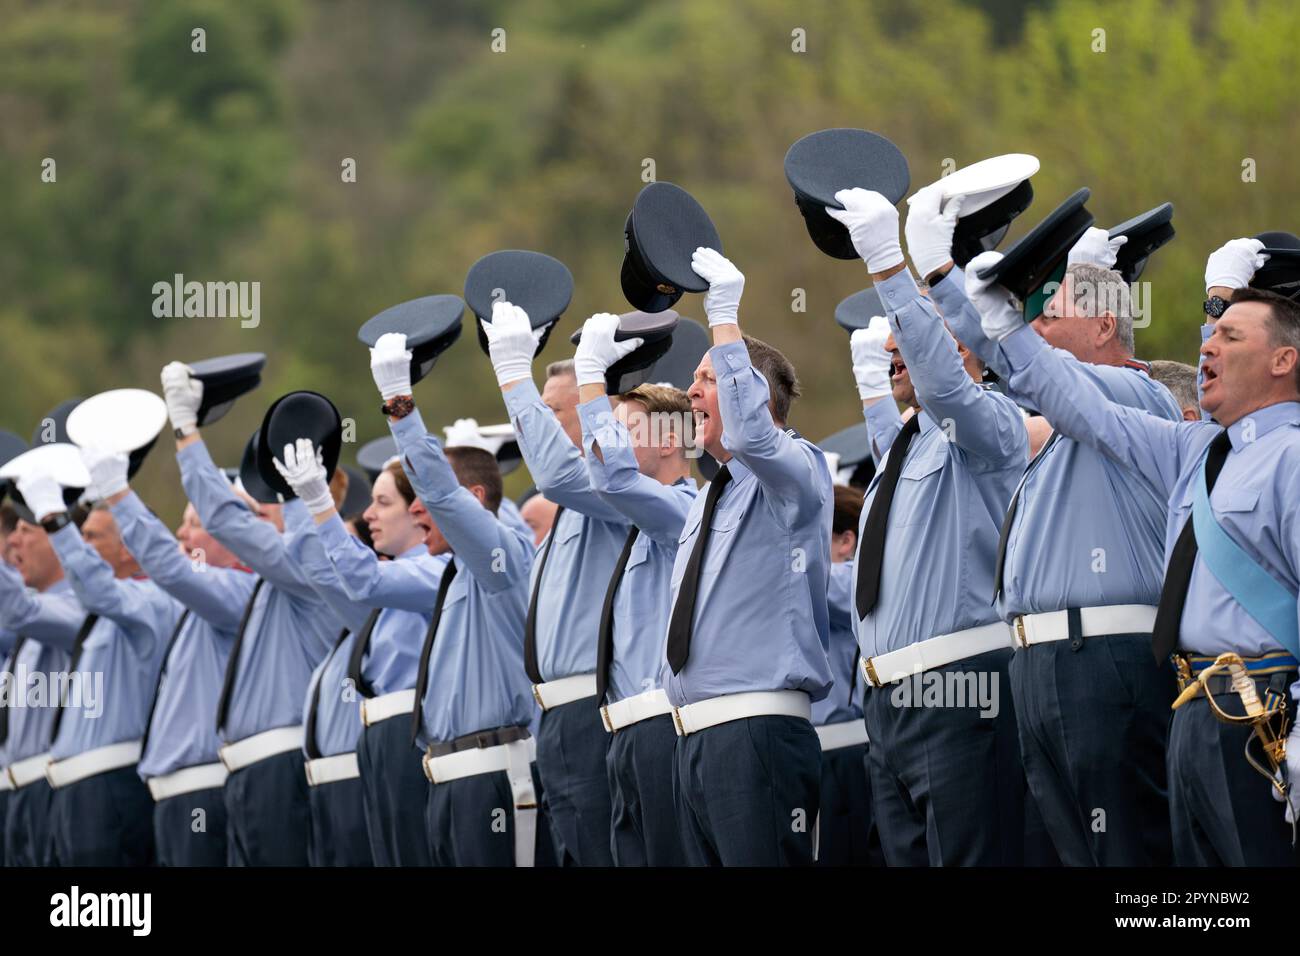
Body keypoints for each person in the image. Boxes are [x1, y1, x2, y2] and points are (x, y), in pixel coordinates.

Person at [978, 245, 1300, 865]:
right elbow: (1081, 407)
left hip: (1271, 705)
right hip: (1194, 704)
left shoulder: (1290, 454)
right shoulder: (1194, 450)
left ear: (1284, 359)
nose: (1204, 346)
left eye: (1228, 334)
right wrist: (1001, 326)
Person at [920, 223, 1182, 866]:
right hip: (1046, 665)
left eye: (1051, 316)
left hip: (1106, 658)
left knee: (1131, 856)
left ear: (1102, 328)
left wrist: (950, 286)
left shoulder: (1137, 391)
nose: (1035, 332)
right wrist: (937, 282)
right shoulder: (1061, 426)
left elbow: (1036, 370)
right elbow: (992, 382)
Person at [826, 186, 1028, 865]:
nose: (895, 352)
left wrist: (890, 266)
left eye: (914, 339)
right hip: (887, 700)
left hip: (962, 685)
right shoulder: (906, 449)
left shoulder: (988, 424)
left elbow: (947, 388)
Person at [663, 247, 832, 866]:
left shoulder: (795, 469)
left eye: (706, 378)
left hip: (757, 732)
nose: (691, 390)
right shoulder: (710, 497)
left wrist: (724, 319)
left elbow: (753, 435)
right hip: (696, 737)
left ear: (751, 392)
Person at [364, 329, 538, 864]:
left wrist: (400, 405)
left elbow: (440, 491)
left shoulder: (498, 560)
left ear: (471, 503)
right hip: (446, 777)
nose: (418, 514)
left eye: (427, 506)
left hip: (490, 775)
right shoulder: (454, 574)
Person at [161, 361, 338, 866]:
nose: (251, 524)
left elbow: (222, 518)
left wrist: (187, 432)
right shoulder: (278, 576)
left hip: (280, 766)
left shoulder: (306, 568)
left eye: (262, 512)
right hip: (249, 772)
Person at [485, 309, 627, 866]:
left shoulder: (614, 488)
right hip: (558, 720)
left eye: (553, 412)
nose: (538, 424)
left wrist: (513, 375)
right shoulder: (566, 510)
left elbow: (558, 473)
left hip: (595, 708)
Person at [275, 452, 445, 866]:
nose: (369, 514)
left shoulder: (436, 570)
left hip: (410, 731)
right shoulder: (391, 585)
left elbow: (360, 577)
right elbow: (325, 569)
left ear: (419, 509)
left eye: (384, 503)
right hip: (378, 737)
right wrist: (299, 501)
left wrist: (320, 505)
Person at [572, 313, 698, 865]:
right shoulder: (645, 522)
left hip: (663, 726)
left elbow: (611, 475)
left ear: (669, 440)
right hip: (625, 730)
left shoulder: (686, 511)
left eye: (624, 431)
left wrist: (590, 379)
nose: (607, 446)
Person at [13, 471, 176, 866]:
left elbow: (95, 588)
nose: (80, 547)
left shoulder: (148, 602)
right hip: (76, 792)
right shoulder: (102, 613)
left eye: (92, 538)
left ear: (130, 550)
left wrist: (55, 518)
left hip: (113, 787)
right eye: (80, 537)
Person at [98, 453, 252, 866]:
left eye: (197, 524)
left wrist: (118, 493)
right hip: (175, 797)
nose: (182, 532)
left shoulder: (239, 590)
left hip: (203, 792)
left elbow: (172, 569)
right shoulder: (198, 602)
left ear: (231, 533)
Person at [0, 514, 77, 865]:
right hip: (17, 790)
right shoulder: (36, 609)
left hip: (49, 786)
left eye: (25, 532)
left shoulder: (80, 604)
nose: (14, 542)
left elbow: (18, 610)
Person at [816, 484, 879, 866]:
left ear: (846, 541)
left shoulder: (851, 578)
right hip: (815, 754)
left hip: (848, 754)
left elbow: (813, 584)